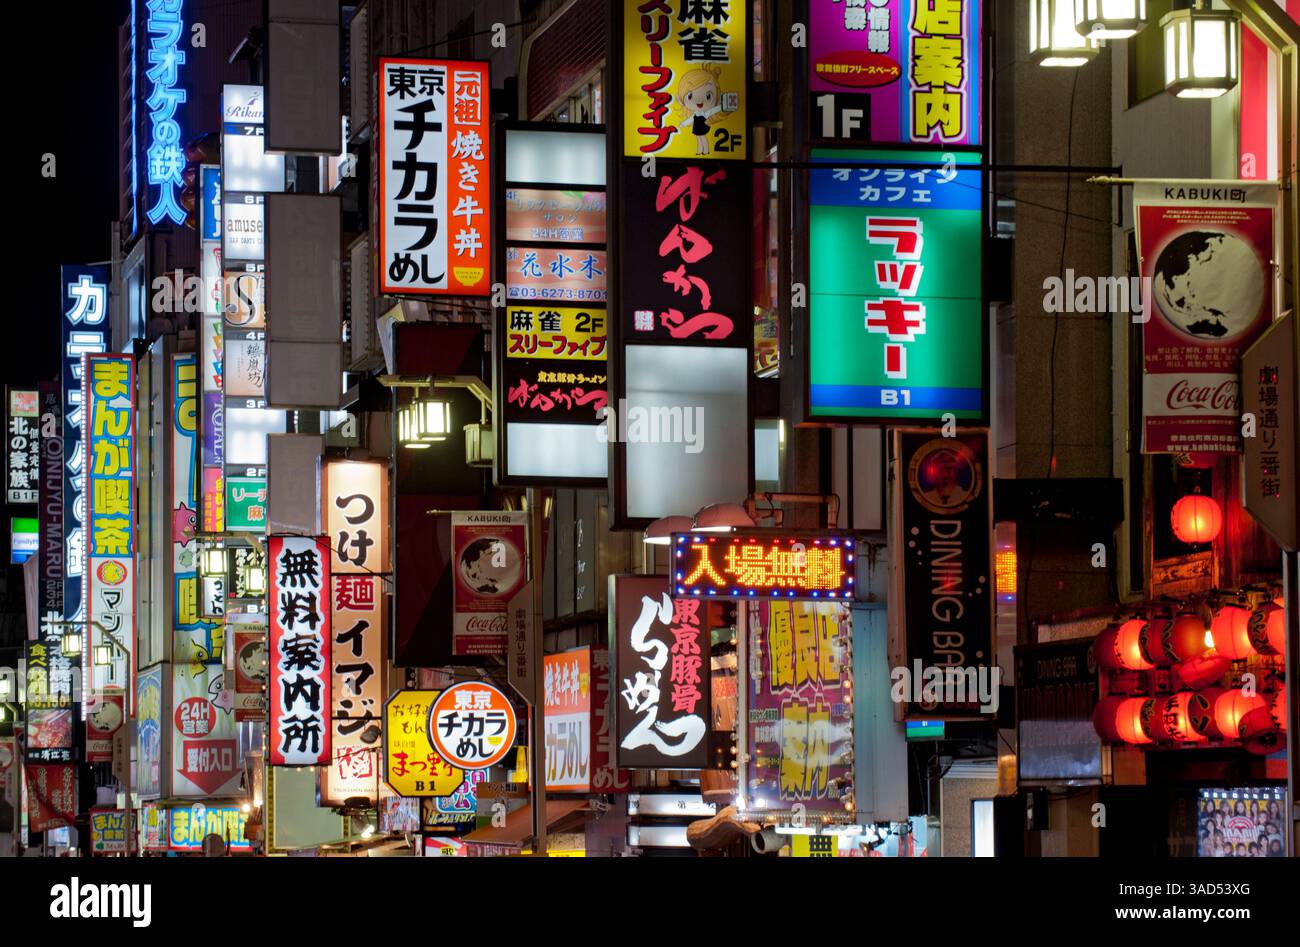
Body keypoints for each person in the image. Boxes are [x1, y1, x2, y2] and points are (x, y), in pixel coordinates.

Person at [671, 66, 730, 156]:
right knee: (699, 138)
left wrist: (722, 106)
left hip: (702, 127)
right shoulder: (696, 113)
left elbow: (714, 110)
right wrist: (683, 124)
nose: (699, 101)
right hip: (697, 128)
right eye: (690, 96)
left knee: (702, 138)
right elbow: (690, 119)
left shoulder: (705, 113)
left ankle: (705, 151)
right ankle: (699, 151)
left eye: (708, 96)